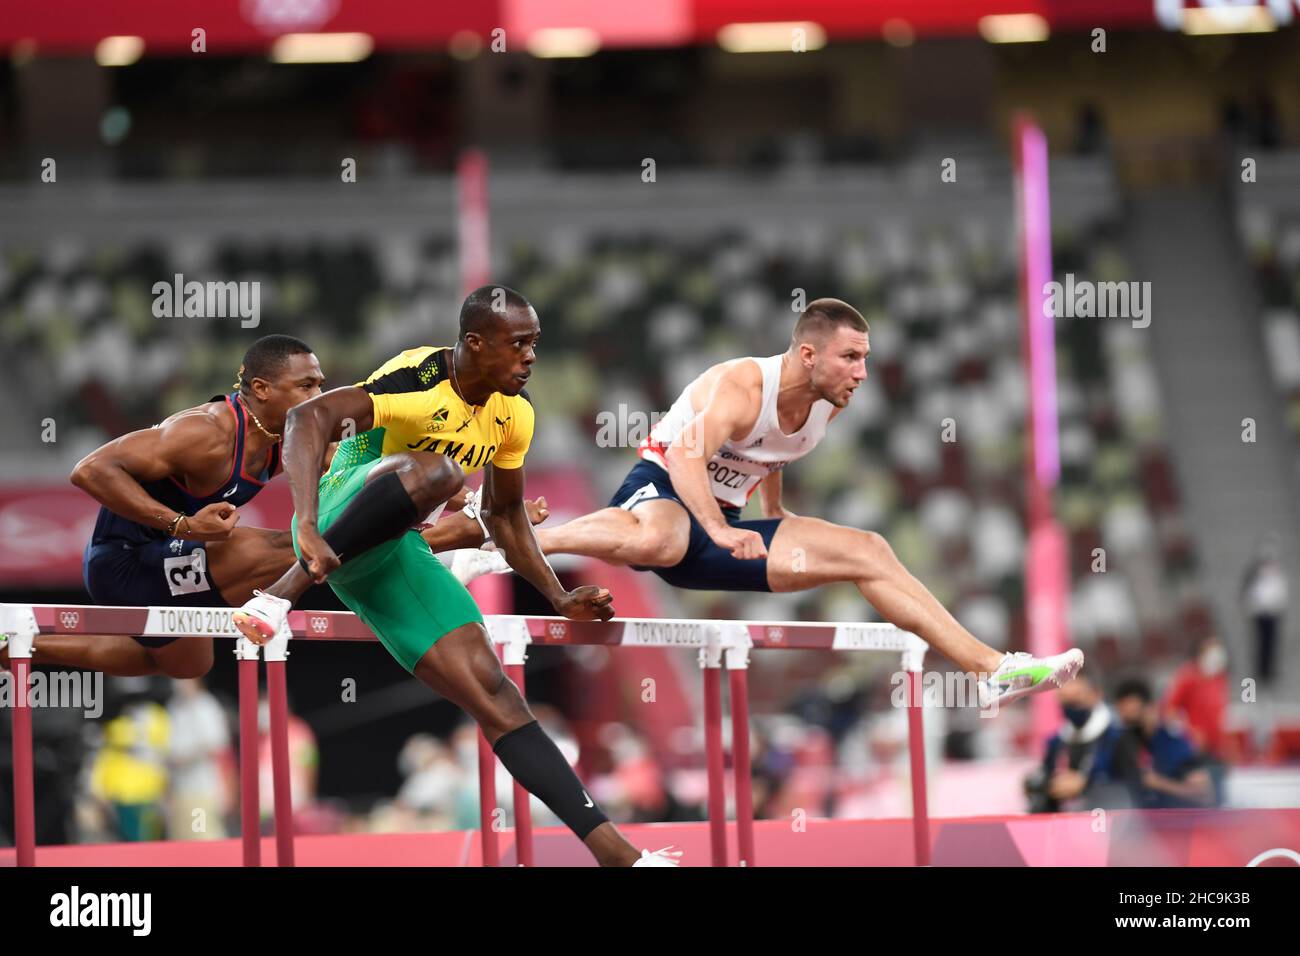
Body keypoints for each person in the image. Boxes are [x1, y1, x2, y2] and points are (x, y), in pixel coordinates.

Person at [231, 285, 679, 866]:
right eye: (518, 345)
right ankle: (278, 596)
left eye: (535, 344)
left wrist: (558, 595)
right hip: (341, 512)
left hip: (393, 554)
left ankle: (622, 857)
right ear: (474, 343)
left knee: (499, 698)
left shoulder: (514, 416)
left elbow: (505, 516)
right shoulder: (418, 377)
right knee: (441, 475)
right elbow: (305, 418)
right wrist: (308, 522)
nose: (530, 357)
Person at [458, 298, 1082, 707]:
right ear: (808, 354)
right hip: (663, 493)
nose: (863, 372)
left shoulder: (825, 407)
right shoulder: (742, 384)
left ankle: (989, 670)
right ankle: (503, 543)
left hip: (721, 524)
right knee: (664, 538)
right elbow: (686, 458)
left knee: (870, 549)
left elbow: (770, 455)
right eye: (852, 357)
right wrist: (722, 528)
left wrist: (774, 516)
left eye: (865, 358)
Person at [0, 334, 544, 677]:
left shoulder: (294, 436)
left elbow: (379, 467)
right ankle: (448, 550)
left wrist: (464, 497)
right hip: (125, 559)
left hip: (178, 557)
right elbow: (89, 470)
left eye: (321, 385)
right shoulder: (206, 433)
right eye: (305, 387)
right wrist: (182, 522)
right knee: (291, 545)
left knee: (186, 664)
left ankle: (24, 649)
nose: (318, 399)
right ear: (261, 389)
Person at [1024, 670, 1127, 813]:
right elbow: (1047, 774)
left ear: (1096, 694)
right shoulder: (1056, 742)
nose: (1071, 708)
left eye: (1077, 700)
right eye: (1065, 701)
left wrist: (1086, 785)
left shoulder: (1118, 737)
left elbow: (1131, 787)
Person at [1112, 678, 1217, 809]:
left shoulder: (1174, 744)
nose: (1131, 728)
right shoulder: (1122, 743)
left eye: (1136, 718)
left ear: (1151, 708)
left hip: (1175, 821)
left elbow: (1204, 795)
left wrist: (1160, 783)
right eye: (1126, 721)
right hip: (1137, 823)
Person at [1163, 634, 1231, 762]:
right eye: (1212, 648)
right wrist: (1188, 734)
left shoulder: (1219, 677)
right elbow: (1170, 711)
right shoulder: (1187, 676)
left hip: (1217, 747)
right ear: (1201, 652)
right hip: (1195, 748)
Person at [1239, 533, 1288, 689]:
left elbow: (1281, 590)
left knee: (1272, 642)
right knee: (1260, 642)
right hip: (1259, 612)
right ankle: (1260, 672)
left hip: (1273, 612)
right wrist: (1250, 606)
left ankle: (1270, 672)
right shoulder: (1254, 572)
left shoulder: (1277, 571)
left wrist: (1280, 605)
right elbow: (1247, 590)